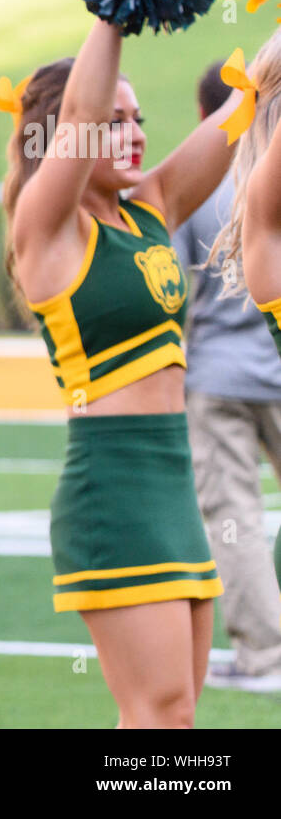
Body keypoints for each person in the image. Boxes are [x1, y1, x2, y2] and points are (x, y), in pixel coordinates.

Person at [1, 17, 247, 727]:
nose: (134, 133)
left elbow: (247, 107)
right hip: (114, 489)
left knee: (174, 717)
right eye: (115, 123)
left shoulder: (150, 209)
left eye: (139, 119)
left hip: (173, 483)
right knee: (159, 714)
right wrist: (113, 9)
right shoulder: (46, 232)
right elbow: (78, 112)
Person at [173, 57, 281, 692]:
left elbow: (174, 289)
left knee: (233, 513)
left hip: (219, 373)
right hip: (272, 364)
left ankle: (265, 653)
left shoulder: (207, 184)